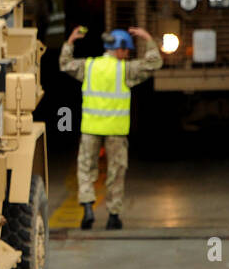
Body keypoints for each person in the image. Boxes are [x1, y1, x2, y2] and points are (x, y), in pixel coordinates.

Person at [58, 25, 161, 229]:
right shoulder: (126, 70)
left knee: (86, 169)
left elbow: (65, 63)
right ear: (120, 49)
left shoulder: (89, 67)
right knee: (116, 172)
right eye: (127, 50)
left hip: (90, 129)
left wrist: (70, 42)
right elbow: (155, 62)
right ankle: (113, 216)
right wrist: (148, 38)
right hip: (116, 131)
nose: (127, 55)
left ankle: (88, 207)